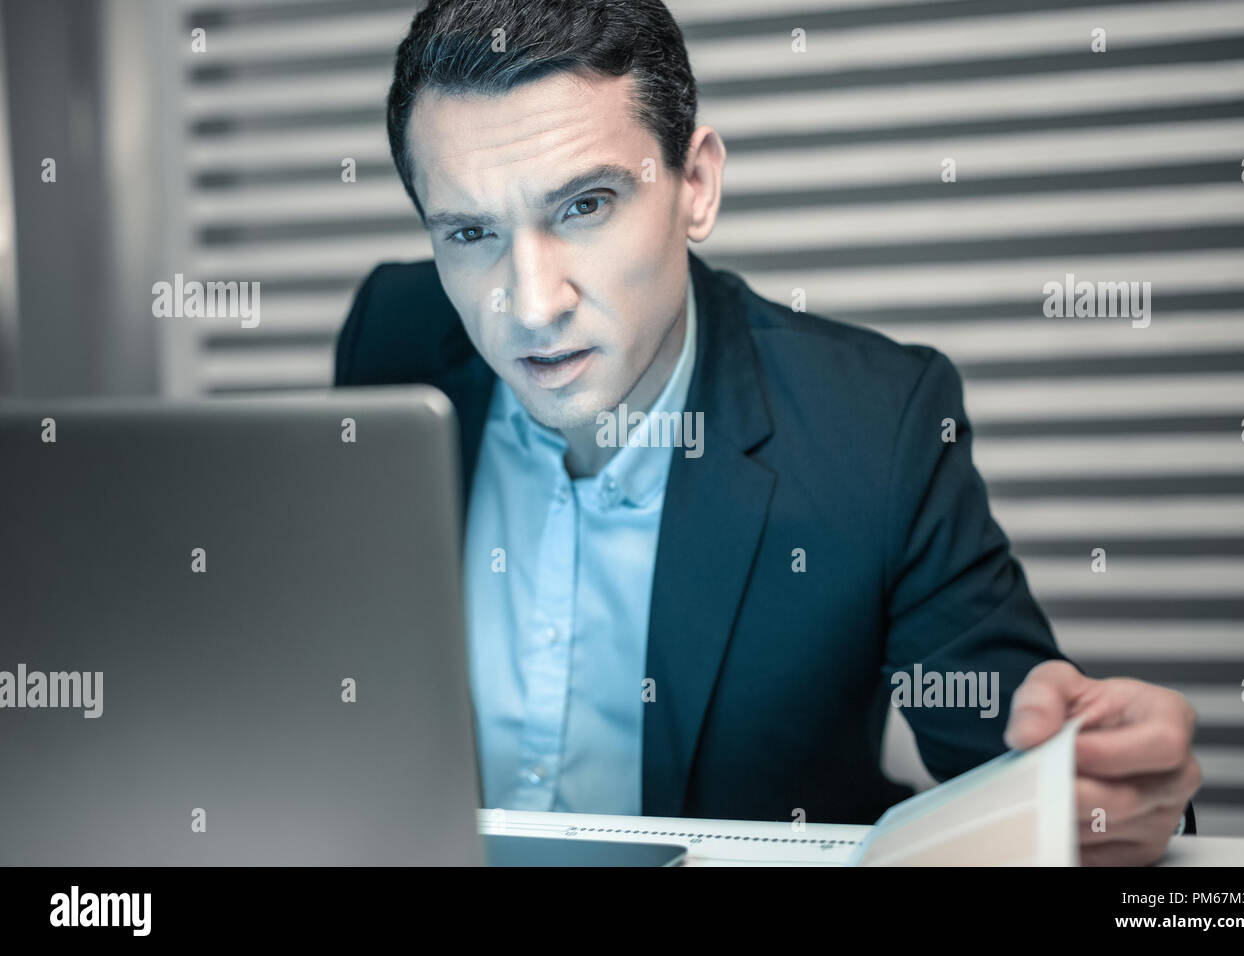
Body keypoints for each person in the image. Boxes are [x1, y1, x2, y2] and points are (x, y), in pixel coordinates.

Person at [335, 0, 1200, 865]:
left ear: (696, 186)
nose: (531, 304)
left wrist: (1102, 781)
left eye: (585, 205)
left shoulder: (874, 425)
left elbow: (1032, 760)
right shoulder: (391, 338)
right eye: (471, 232)